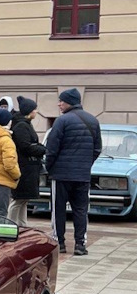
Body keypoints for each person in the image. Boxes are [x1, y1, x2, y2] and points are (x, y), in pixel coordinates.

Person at [46, 87, 101, 255]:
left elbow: (52, 148)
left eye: (61, 101)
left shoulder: (61, 121)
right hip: (82, 175)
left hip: (61, 174)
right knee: (81, 210)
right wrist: (86, 165)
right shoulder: (93, 121)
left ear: (69, 102)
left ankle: (59, 243)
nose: (59, 104)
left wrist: (49, 167)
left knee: (58, 210)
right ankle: (80, 244)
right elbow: (97, 149)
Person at [8, 96, 46, 226]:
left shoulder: (24, 124)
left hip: (29, 167)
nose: (36, 111)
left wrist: (39, 147)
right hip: (24, 168)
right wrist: (41, 149)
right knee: (18, 199)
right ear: (29, 111)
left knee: (23, 199)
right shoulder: (22, 126)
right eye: (34, 109)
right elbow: (25, 146)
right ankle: (11, 224)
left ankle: (22, 225)